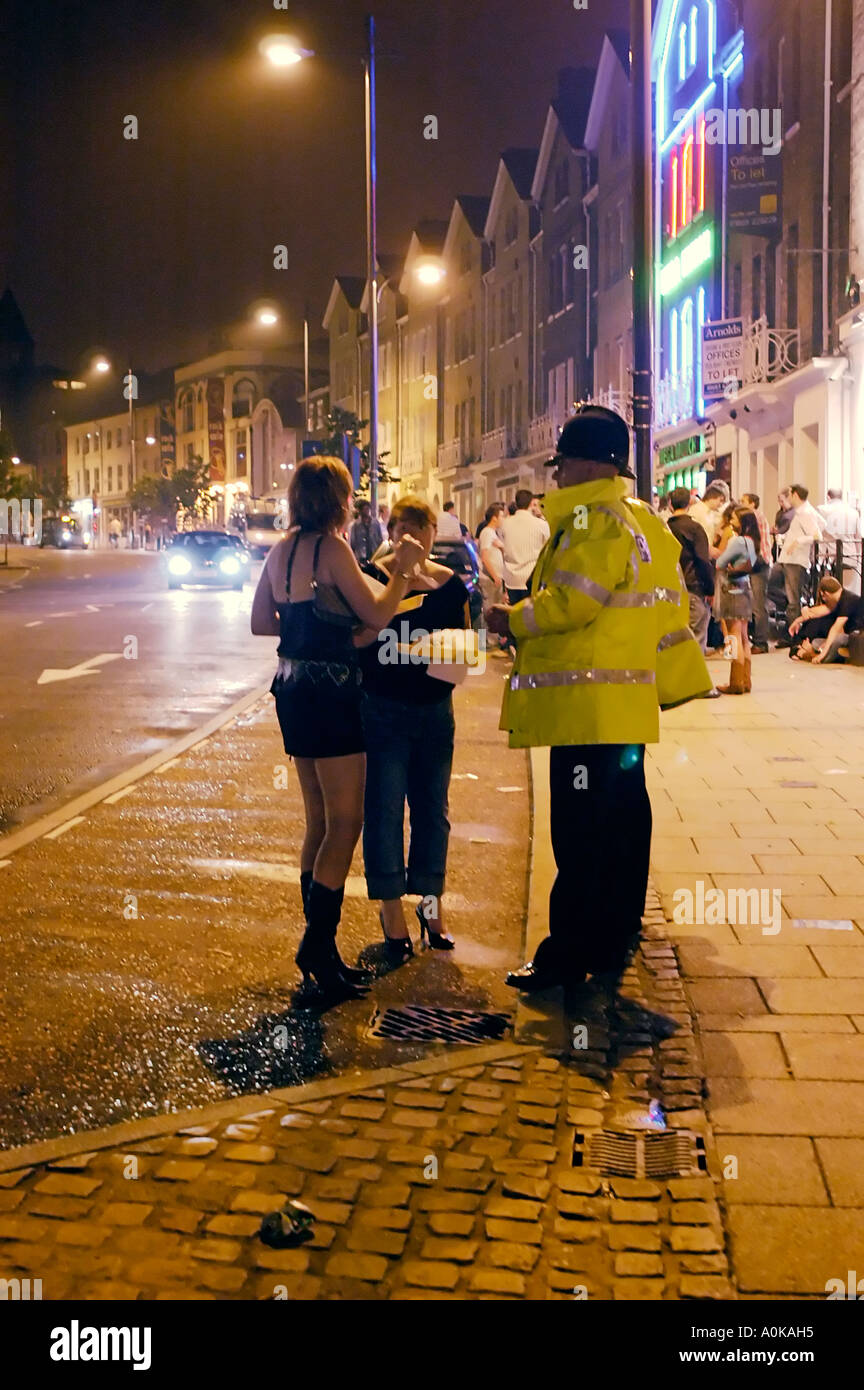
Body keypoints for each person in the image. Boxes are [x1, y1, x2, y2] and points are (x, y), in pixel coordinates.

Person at [487, 406, 711, 992]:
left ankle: (568, 953)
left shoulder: (590, 521)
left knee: (580, 831)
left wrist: (510, 618)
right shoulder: (640, 518)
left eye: (562, 464)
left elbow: (570, 603)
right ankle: (615, 931)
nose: (556, 477)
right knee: (623, 820)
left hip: (585, 708)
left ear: (588, 464)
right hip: (626, 702)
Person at [250, 456, 424, 999]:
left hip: (293, 689)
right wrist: (401, 572)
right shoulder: (332, 548)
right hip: (332, 695)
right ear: (339, 500)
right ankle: (316, 945)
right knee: (345, 823)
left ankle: (321, 950)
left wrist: (317, 627)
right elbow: (376, 615)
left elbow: (261, 622)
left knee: (319, 821)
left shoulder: (282, 552)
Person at [356, 495, 471, 961]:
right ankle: (391, 914)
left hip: (434, 709)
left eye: (422, 530)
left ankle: (430, 908)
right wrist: (400, 578)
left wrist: (457, 655)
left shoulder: (450, 586)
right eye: (405, 529)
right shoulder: (371, 577)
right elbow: (361, 635)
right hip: (382, 707)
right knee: (383, 810)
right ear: (390, 531)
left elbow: (466, 641)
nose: (414, 539)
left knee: (432, 812)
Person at [714, 506, 760, 694]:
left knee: (733, 636)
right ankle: (746, 680)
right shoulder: (751, 541)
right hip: (745, 588)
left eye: (733, 518)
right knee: (743, 636)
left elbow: (720, 563)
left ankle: (735, 682)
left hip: (731, 590)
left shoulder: (737, 541)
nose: (731, 521)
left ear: (742, 522)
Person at [667, 487, 715, 653]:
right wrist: (710, 589)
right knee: (696, 639)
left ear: (670, 505)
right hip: (694, 588)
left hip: (670, 590)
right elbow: (703, 560)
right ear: (689, 503)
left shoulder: (664, 528)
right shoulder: (695, 529)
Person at [778, 484, 823, 639]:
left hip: (795, 560)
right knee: (784, 593)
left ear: (795, 494)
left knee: (793, 600)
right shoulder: (804, 511)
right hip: (789, 558)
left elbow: (817, 535)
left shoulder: (805, 512)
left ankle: (792, 635)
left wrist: (799, 540)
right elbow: (822, 524)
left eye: (789, 494)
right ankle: (791, 629)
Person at [789, 576, 864, 663]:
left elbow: (835, 629)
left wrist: (822, 654)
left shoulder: (849, 600)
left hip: (854, 638)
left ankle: (815, 655)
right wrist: (797, 621)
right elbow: (818, 612)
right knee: (816, 642)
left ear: (824, 594)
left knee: (837, 639)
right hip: (847, 636)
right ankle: (806, 650)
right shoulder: (838, 598)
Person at [499, 488, 550, 604]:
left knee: (513, 612)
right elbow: (549, 548)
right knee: (529, 615)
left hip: (511, 578)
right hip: (531, 577)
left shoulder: (505, 524)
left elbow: (503, 546)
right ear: (531, 503)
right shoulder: (541, 524)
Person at [741, 493, 773, 652]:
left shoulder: (754, 517)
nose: (740, 504)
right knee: (757, 603)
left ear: (752, 504)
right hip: (760, 561)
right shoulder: (758, 516)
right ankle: (759, 640)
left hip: (758, 563)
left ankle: (761, 642)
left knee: (758, 604)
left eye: (743, 501)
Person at [818, 489, 863, 596]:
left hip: (827, 556)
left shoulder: (822, 510)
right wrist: (857, 558)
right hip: (849, 555)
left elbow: (817, 532)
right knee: (846, 590)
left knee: (829, 591)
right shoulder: (853, 512)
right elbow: (857, 536)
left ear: (828, 497)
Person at [689, 483, 728, 550]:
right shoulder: (696, 510)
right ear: (712, 497)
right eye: (720, 500)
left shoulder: (711, 513)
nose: (721, 504)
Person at [349, 499, 384, 565]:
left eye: (368, 508)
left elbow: (380, 540)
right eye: (364, 509)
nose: (366, 511)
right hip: (361, 557)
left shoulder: (375, 523)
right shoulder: (355, 526)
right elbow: (353, 543)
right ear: (360, 511)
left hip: (374, 555)